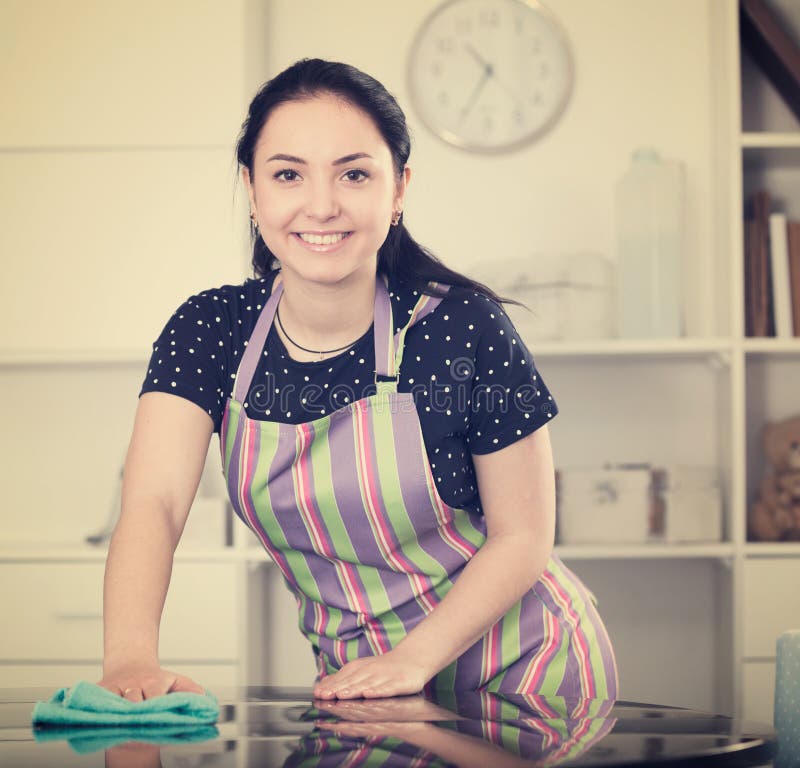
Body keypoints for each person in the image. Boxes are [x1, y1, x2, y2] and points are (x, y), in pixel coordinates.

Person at [99, 58, 618, 703]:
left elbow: (524, 536)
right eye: (288, 174)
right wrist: (129, 661)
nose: (321, 205)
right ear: (252, 190)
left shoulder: (459, 326)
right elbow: (155, 501)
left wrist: (411, 661)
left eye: (354, 174)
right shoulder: (213, 330)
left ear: (398, 189)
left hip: (525, 671)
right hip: (362, 686)